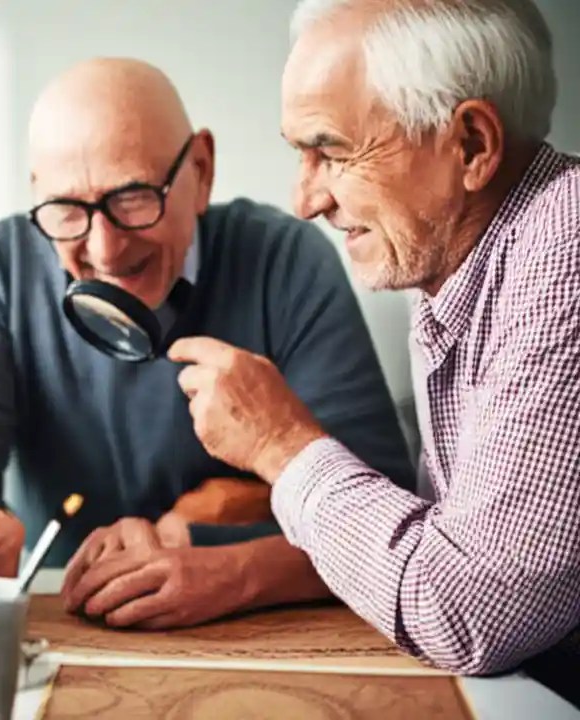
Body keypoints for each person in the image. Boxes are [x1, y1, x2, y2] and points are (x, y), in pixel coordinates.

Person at [0, 57, 414, 635]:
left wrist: (231, 567)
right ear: (37, 194)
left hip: (256, 628)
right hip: (62, 620)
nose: (105, 250)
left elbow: (384, 512)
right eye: (67, 209)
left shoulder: (283, 260)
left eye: (134, 197)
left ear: (201, 170)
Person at [169, 0, 580, 678]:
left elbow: (465, 609)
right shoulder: (452, 270)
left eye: (330, 151)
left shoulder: (565, 244)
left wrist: (279, 445)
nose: (306, 200)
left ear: (472, 144)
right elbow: (438, 546)